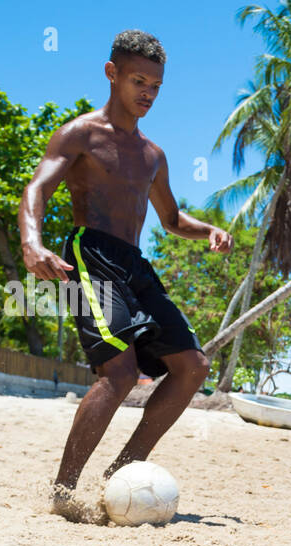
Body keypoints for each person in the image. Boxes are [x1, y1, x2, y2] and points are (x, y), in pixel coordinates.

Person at [20, 30, 230, 521]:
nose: (148, 93)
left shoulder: (153, 155)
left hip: (134, 261)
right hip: (88, 251)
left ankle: (123, 472)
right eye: (139, 81)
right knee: (117, 371)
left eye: (156, 85)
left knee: (193, 367)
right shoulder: (81, 134)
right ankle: (64, 490)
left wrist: (211, 231)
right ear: (112, 73)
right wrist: (32, 241)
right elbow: (37, 190)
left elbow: (174, 221)